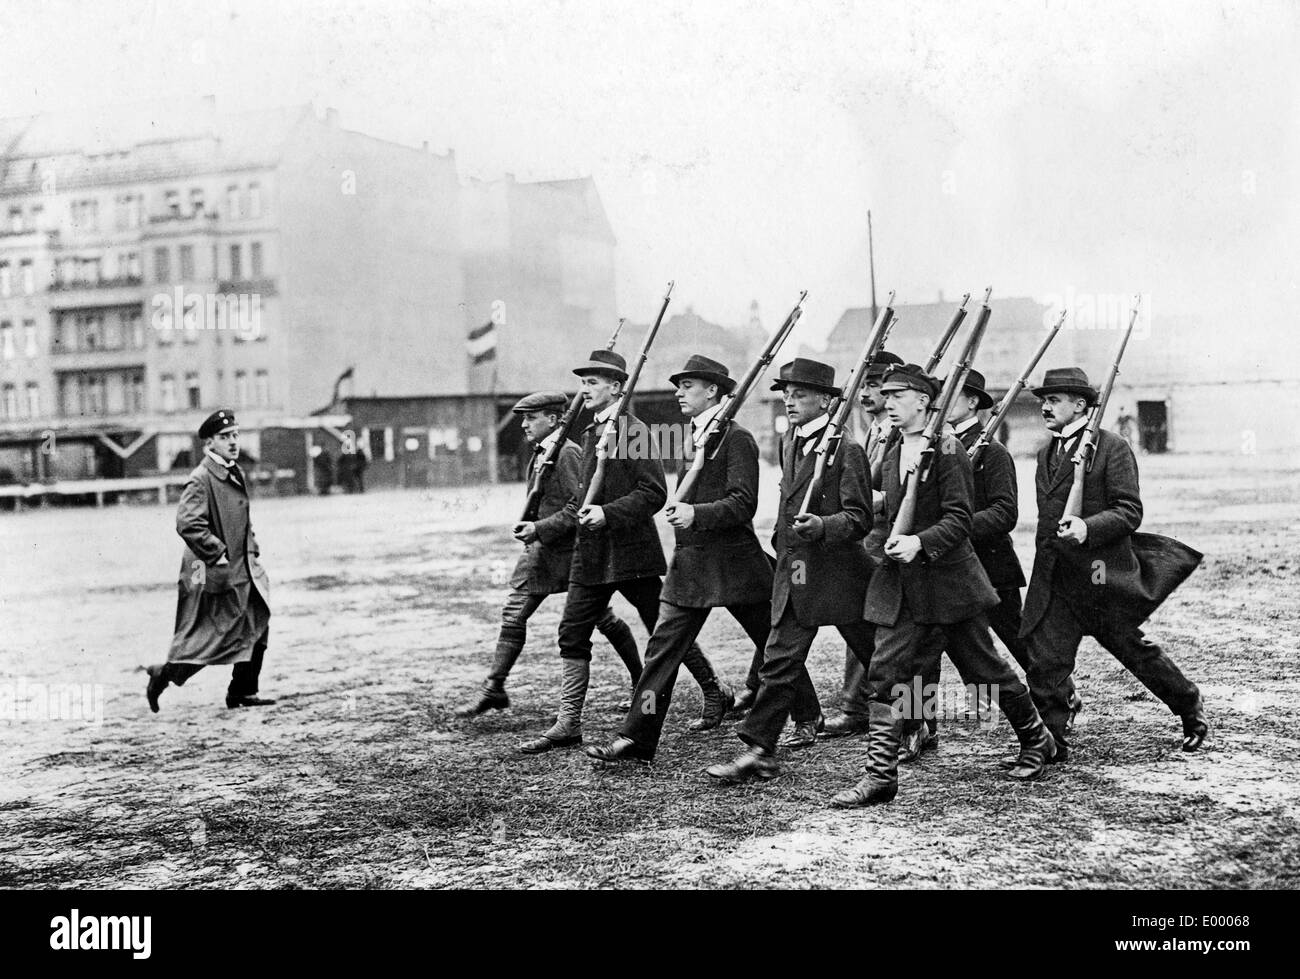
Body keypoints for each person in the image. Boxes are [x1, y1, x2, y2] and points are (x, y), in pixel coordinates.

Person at [829, 364, 1056, 808]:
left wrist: (919, 542)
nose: (888, 402)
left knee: (985, 671)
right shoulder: (896, 448)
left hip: (950, 585)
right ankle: (880, 777)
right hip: (903, 585)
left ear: (922, 400)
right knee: (885, 672)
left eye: (897, 395)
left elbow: (959, 519)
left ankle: (1036, 739)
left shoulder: (948, 449)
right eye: (885, 395)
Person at [518, 349, 723, 754]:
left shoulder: (632, 431)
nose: (585, 390)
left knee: (663, 629)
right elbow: (580, 500)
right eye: (582, 382)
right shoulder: (590, 434)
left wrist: (607, 515)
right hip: (591, 556)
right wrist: (545, 526)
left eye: (593, 383)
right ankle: (568, 724)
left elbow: (653, 493)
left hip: (631, 555)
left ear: (616, 387)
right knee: (571, 633)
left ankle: (714, 690)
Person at [586, 355, 774, 764]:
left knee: (774, 646)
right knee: (662, 654)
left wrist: (696, 513)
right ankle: (637, 736)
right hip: (690, 566)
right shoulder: (691, 435)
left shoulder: (737, 438)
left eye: (687, 386)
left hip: (735, 564)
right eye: (678, 385)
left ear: (713, 391)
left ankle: (807, 716)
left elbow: (744, 504)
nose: (677, 392)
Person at [706, 358, 878, 783]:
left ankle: (916, 722)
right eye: (786, 394)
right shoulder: (792, 443)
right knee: (779, 659)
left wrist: (824, 525)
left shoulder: (846, 449)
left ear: (826, 400)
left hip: (840, 576)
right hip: (796, 571)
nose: (790, 401)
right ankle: (760, 749)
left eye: (800, 394)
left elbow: (860, 518)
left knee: (878, 658)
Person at [1021, 368, 1207, 760]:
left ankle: (1189, 707)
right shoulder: (1046, 452)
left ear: (1081, 405)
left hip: (1101, 575)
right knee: (1046, 660)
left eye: (1054, 400)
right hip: (1057, 575)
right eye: (1043, 400)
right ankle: (1049, 743)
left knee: (1132, 651)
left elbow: (1128, 511)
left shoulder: (1112, 447)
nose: (1045, 406)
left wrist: (1087, 528)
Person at [899, 369, 1081, 762]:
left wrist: (956, 528)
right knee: (925, 654)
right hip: (939, 565)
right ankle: (920, 726)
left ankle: (1059, 696)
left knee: (1018, 644)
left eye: (954, 394)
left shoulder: (992, 451)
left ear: (972, 403)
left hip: (989, 568)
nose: (942, 401)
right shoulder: (930, 445)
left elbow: (1004, 513)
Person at [455, 391, 642, 718]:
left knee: (602, 618)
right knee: (514, 614)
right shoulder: (541, 453)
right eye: (523, 418)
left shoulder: (568, 453)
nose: (524, 425)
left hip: (570, 552)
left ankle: (641, 681)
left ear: (555, 419)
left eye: (531, 418)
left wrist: (539, 528)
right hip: (540, 554)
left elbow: (578, 507)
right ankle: (494, 687)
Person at [145, 410, 274, 712]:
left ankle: (242, 691)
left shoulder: (232, 470)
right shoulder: (202, 479)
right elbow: (187, 523)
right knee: (210, 638)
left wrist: (252, 548)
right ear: (209, 443)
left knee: (257, 619)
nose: (232, 442)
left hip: (244, 566)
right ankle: (162, 675)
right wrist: (217, 552)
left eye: (234, 436)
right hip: (216, 569)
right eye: (224, 437)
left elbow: (243, 519)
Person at [821, 349, 902, 738]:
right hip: (870, 541)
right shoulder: (872, 431)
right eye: (863, 384)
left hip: (897, 543)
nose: (865, 392)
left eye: (873, 384)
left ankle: (912, 715)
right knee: (860, 620)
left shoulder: (904, 431)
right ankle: (857, 706)